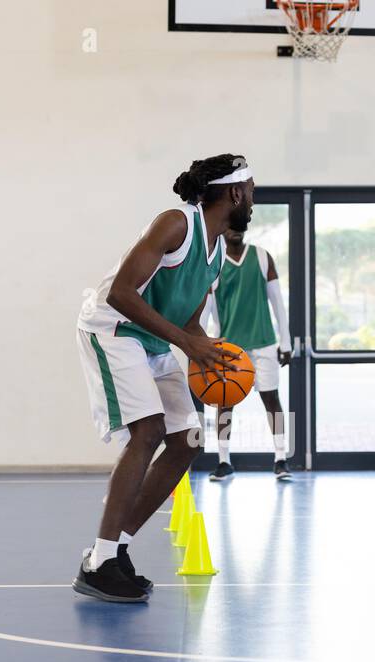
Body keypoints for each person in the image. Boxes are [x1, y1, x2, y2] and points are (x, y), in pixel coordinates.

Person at [73, 154, 253, 601]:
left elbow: (188, 322)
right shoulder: (177, 223)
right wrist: (187, 344)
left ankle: (117, 548)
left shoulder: (215, 249)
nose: (254, 197)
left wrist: (209, 349)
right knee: (149, 430)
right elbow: (120, 293)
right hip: (112, 328)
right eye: (251, 188)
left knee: (188, 440)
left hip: (152, 338)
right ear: (234, 193)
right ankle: (98, 561)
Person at [203, 224, 294, 481]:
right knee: (225, 401)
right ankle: (224, 461)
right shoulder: (216, 264)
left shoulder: (262, 257)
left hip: (264, 342)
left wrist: (285, 343)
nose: (235, 229)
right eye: (230, 225)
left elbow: (278, 302)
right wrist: (203, 343)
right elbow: (207, 308)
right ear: (222, 230)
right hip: (231, 346)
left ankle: (280, 459)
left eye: (240, 225)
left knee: (271, 399)